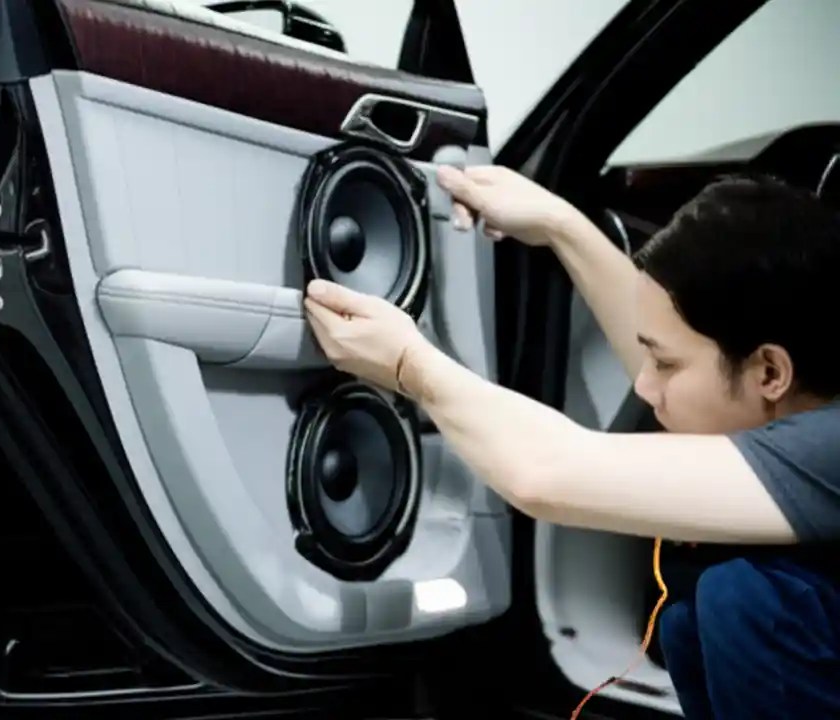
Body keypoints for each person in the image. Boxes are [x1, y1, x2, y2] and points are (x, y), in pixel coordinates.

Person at [302, 165, 840, 719]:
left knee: (743, 604)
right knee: (692, 622)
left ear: (771, 372)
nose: (643, 384)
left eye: (665, 364)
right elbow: (684, 354)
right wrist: (562, 227)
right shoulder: (803, 408)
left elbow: (547, 475)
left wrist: (408, 363)